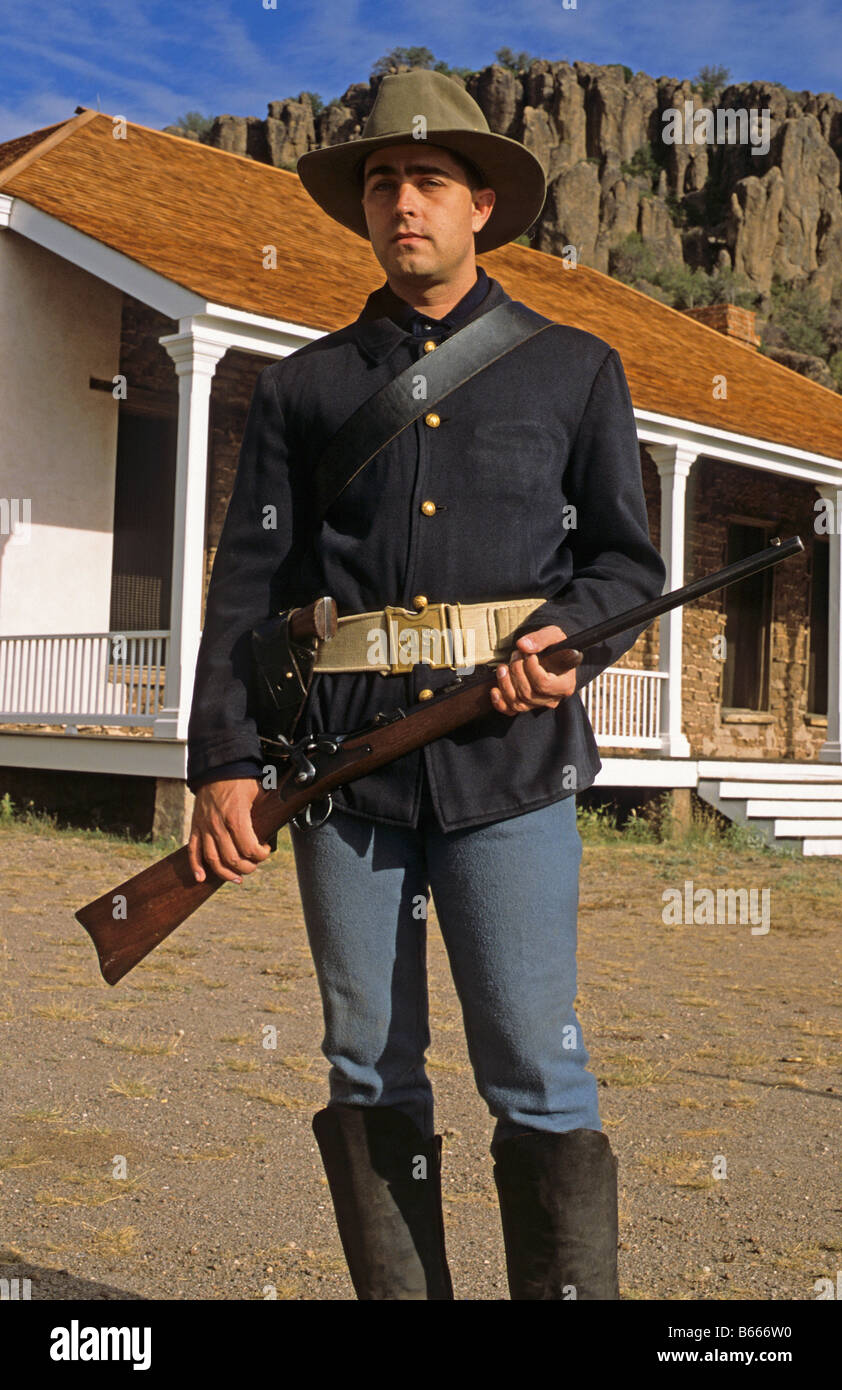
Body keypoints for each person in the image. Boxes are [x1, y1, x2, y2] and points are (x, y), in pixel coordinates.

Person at [185, 69, 666, 1300]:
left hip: (510, 769)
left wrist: (563, 639)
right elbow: (249, 587)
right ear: (364, 207)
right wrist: (225, 764)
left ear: (482, 204)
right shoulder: (303, 390)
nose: (405, 201)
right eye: (384, 181)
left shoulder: (573, 369)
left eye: (430, 181)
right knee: (366, 1067)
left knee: (533, 1066)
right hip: (341, 780)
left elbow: (623, 563)